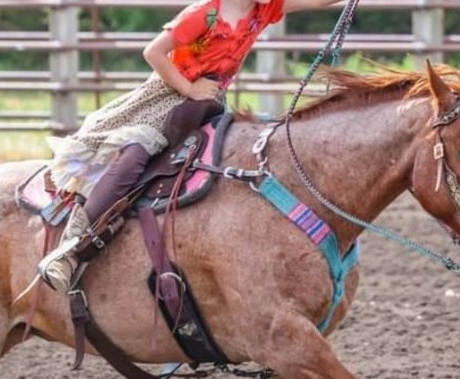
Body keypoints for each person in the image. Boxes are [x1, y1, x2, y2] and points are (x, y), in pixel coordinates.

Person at [37, 0, 345, 293]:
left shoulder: (263, 9)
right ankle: (69, 248)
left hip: (207, 104)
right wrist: (189, 88)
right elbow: (154, 52)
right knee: (135, 157)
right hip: (165, 99)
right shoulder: (204, 14)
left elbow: (320, 2)